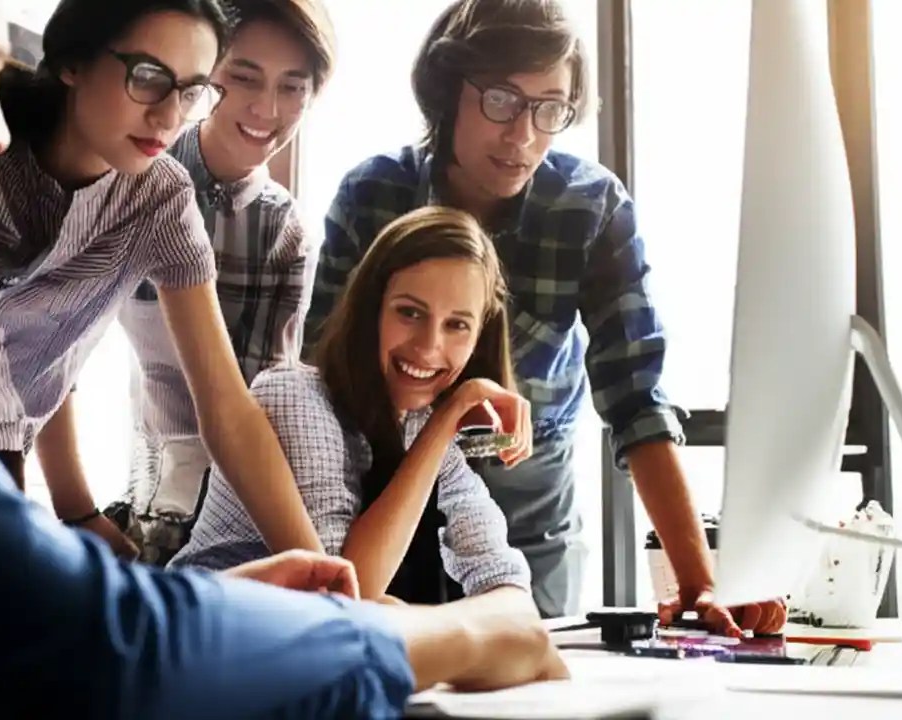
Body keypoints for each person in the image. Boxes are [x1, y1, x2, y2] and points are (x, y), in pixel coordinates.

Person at [0, 0, 569, 717]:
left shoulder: (163, 203)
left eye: (194, 88)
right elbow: (81, 644)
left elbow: (212, 414)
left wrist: (193, 605)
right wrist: (464, 633)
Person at [306, 0, 786, 633]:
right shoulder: (374, 194)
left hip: (526, 509)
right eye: (502, 100)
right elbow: (321, 370)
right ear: (450, 91)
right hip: (383, 497)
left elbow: (636, 399)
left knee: (531, 672)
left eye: (550, 108)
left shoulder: (588, 207)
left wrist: (699, 585)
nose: (523, 135)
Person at [0, 0, 324, 560]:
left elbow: (228, 409)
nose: (168, 117)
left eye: (189, 92)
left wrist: (326, 576)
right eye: (147, 78)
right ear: (73, 62)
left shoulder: (159, 197)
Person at [43, 0, 337, 565]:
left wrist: (318, 568)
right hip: (145, 476)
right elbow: (48, 359)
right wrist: (75, 507)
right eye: (242, 78)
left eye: (292, 88)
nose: (265, 108)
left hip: (228, 489)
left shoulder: (276, 226)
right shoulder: (129, 165)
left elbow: (251, 403)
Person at [175, 207, 539, 612]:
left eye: (457, 325)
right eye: (410, 312)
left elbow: (507, 588)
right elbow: (344, 594)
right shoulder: (293, 397)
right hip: (203, 639)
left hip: (299, 658)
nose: (428, 346)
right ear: (372, 308)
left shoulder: (425, 429)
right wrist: (449, 418)